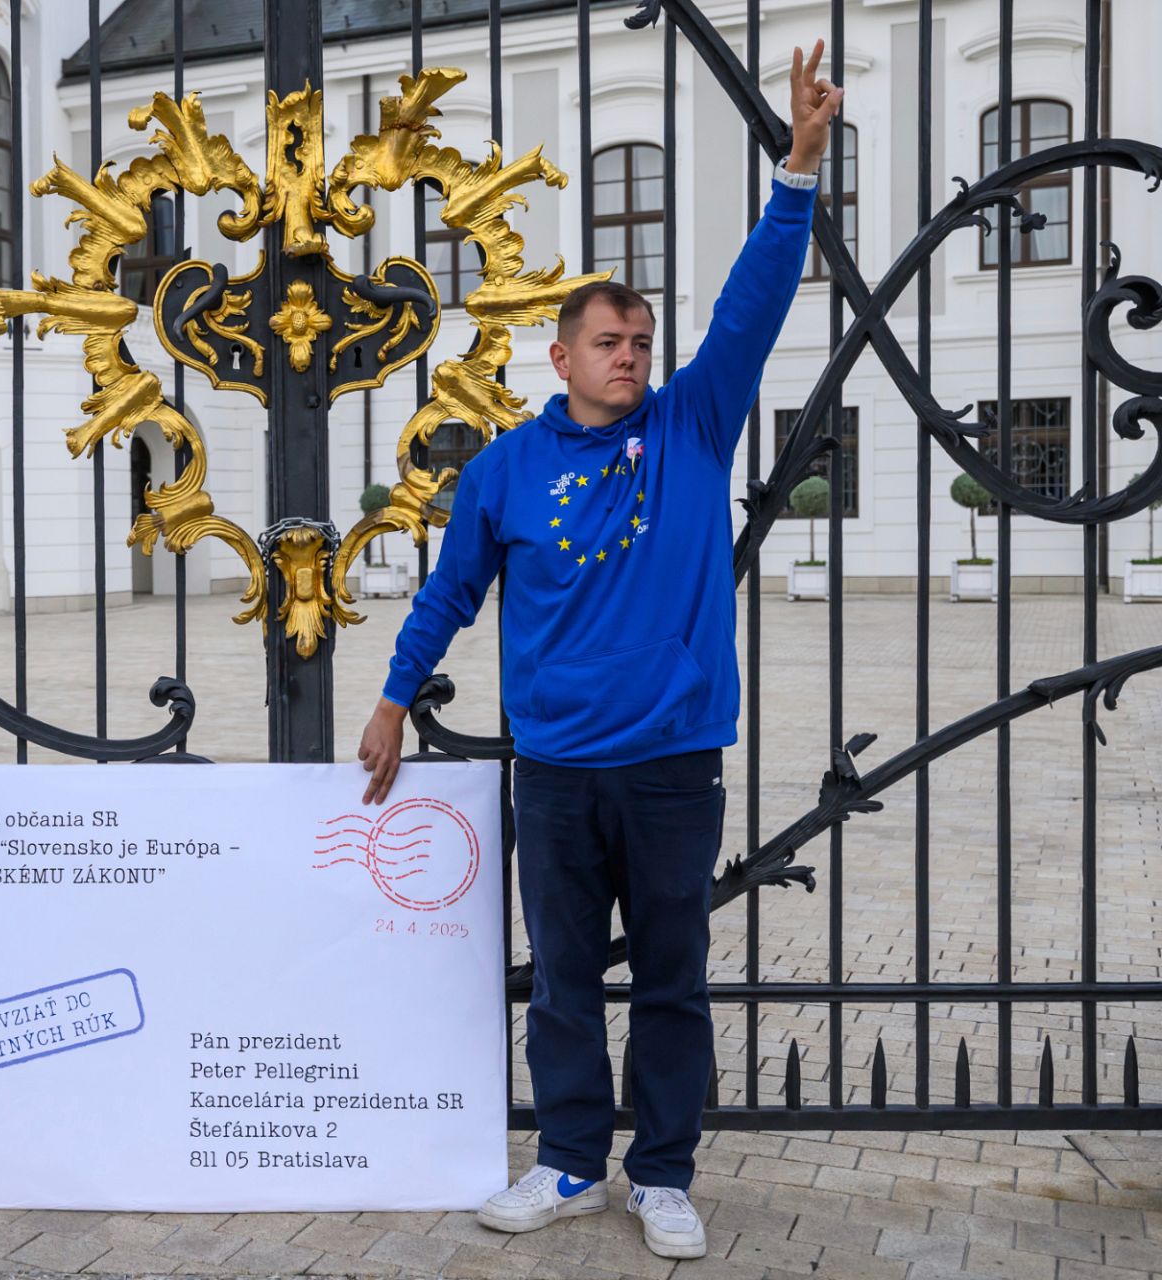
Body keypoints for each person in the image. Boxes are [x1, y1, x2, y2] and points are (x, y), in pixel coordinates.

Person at [356, 42, 843, 1263]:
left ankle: (663, 1171)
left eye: (640, 338)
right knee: (567, 981)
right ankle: (572, 1159)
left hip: (673, 762)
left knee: (671, 978)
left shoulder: (692, 422)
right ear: (560, 358)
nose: (631, 353)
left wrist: (798, 167)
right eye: (609, 341)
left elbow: (753, 305)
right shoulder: (506, 467)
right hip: (557, 767)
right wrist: (391, 695)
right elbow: (451, 589)